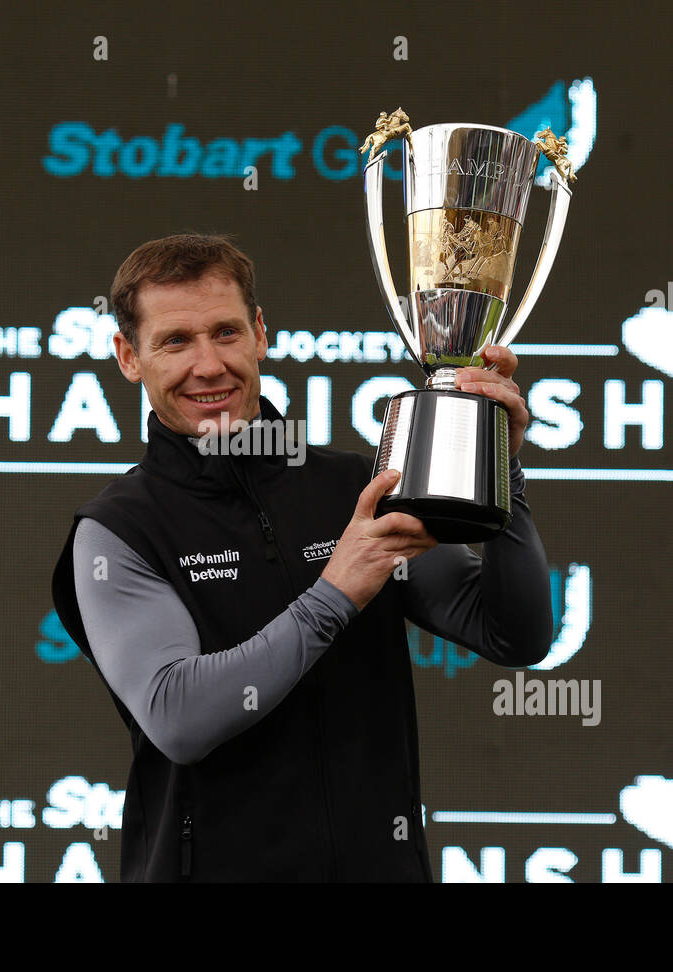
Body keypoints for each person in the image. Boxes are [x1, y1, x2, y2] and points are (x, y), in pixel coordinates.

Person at [50, 233, 553, 882]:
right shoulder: (118, 531)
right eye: (176, 341)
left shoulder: (357, 488)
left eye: (226, 332)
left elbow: (514, 634)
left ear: (260, 333)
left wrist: (502, 470)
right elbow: (177, 717)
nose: (208, 365)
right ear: (128, 356)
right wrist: (334, 593)